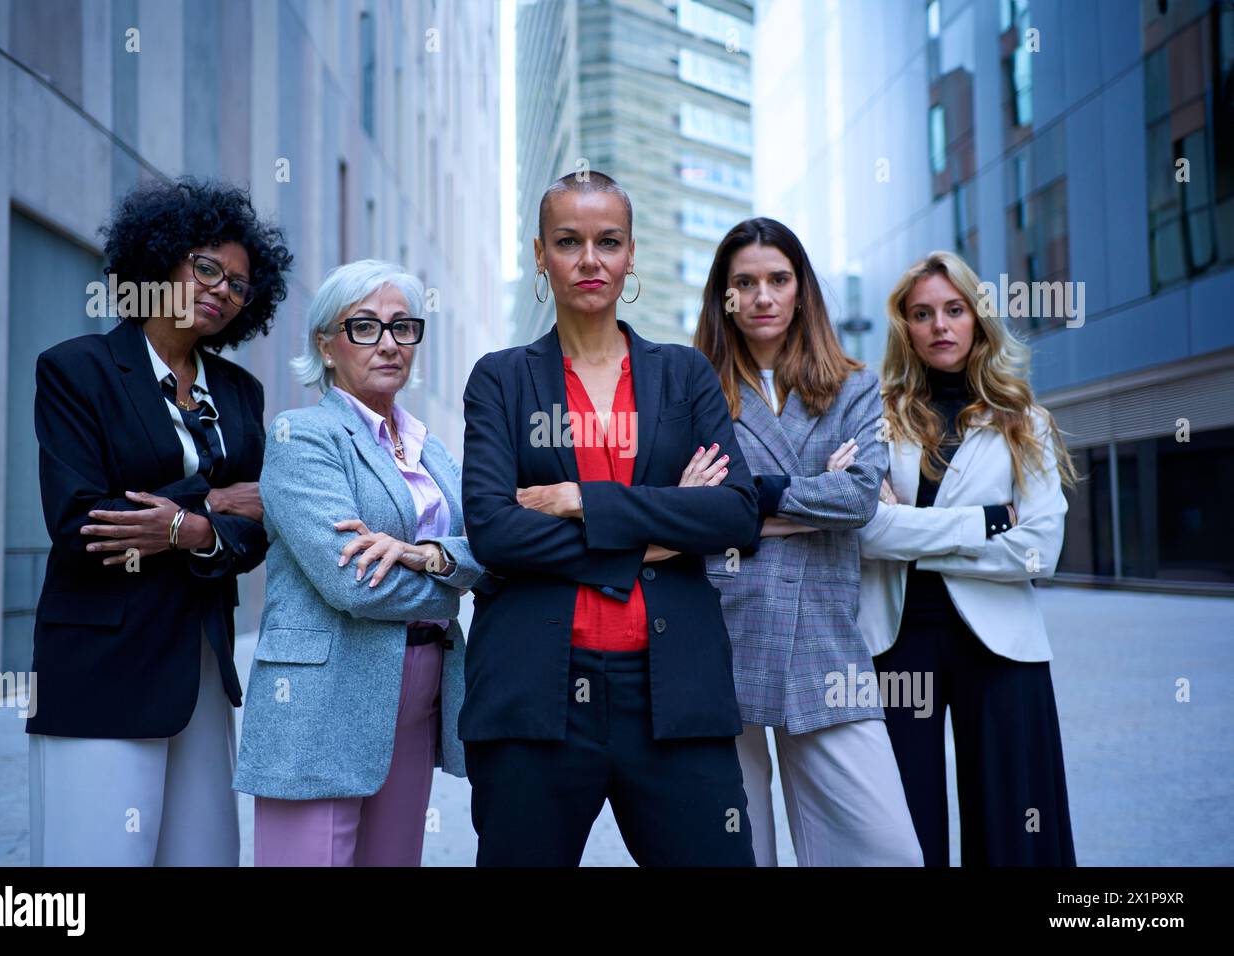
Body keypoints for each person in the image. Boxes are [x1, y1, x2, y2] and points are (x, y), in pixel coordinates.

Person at [459, 171, 759, 866]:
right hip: (536, 697)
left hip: (675, 693)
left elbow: (735, 513)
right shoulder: (501, 380)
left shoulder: (685, 376)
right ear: (541, 255)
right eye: (568, 242)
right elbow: (495, 530)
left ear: (630, 255)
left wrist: (583, 500)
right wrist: (656, 535)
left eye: (608, 241)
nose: (589, 259)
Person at [27, 177, 292, 866]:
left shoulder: (239, 393)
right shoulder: (77, 371)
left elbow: (260, 525)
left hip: (200, 667)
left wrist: (190, 526)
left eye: (238, 283)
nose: (222, 289)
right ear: (160, 260)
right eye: (207, 267)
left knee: (203, 858)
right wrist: (210, 508)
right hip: (102, 667)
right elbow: (83, 524)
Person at [233, 259, 483, 866]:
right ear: (326, 344)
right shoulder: (303, 436)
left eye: (403, 327)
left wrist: (425, 554)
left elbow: (488, 544)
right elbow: (355, 583)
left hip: (419, 688)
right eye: (365, 327)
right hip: (322, 693)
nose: (390, 344)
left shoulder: (431, 449)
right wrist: (450, 584)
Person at [692, 217, 923, 866]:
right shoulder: (693, 388)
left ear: (801, 290)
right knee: (739, 854)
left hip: (823, 638)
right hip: (718, 631)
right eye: (744, 282)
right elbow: (687, 511)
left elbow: (855, 499)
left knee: (887, 851)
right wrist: (808, 492)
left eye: (778, 279)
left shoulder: (854, 385)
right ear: (724, 296)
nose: (762, 296)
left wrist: (754, 495)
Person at [858, 250, 1078, 866]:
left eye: (954, 310)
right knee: (904, 825)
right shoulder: (877, 419)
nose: (940, 326)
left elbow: (1040, 548)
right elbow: (868, 532)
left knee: (1017, 825)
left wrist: (915, 536)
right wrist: (986, 523)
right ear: (906, 327)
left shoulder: (1022, 420)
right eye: (922, 313)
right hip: (899, 644)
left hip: (1002, 646)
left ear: (978, 318)